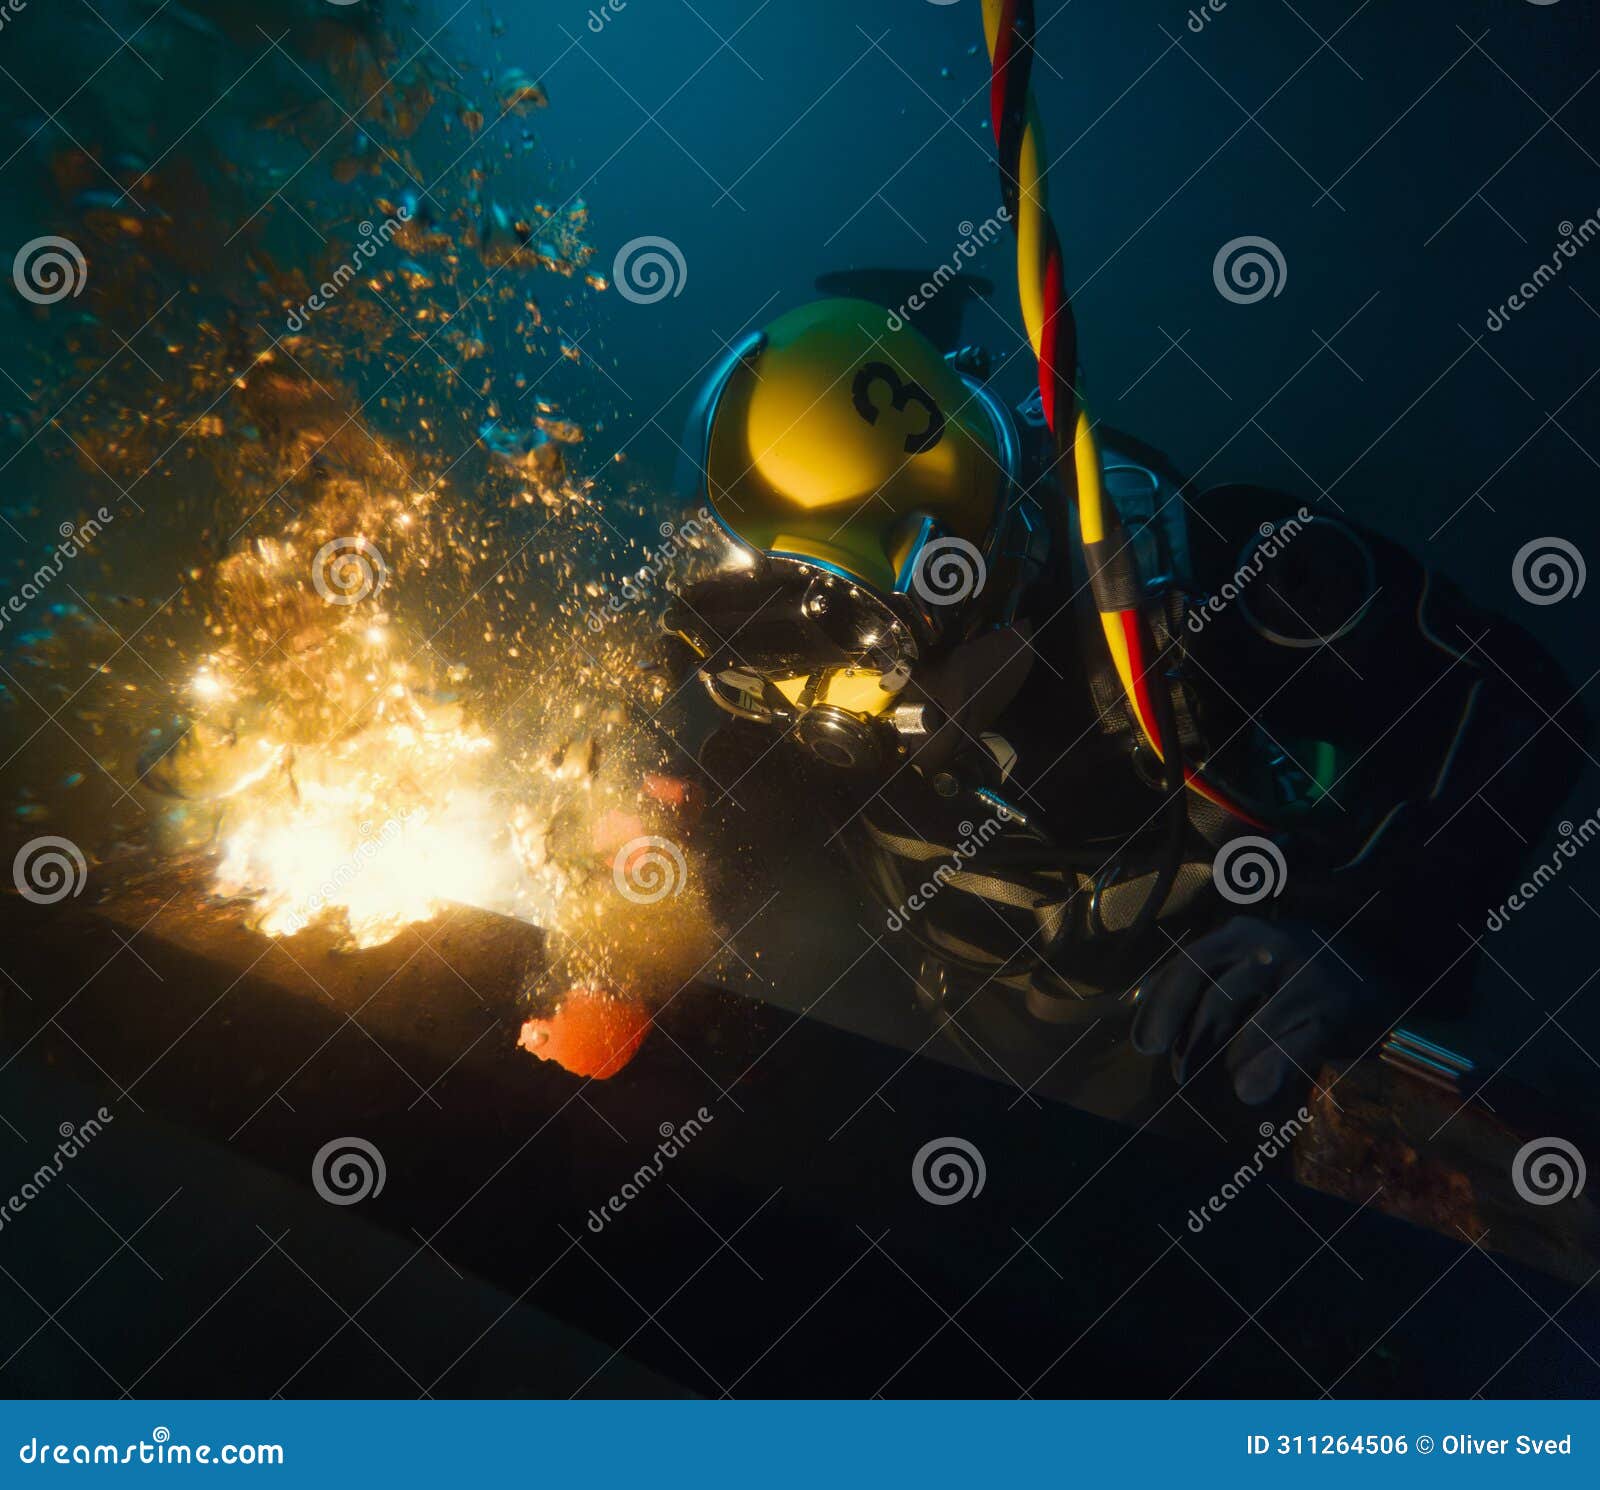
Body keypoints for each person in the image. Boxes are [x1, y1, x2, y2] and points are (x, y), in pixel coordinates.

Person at [660, 288, 1588, 1105]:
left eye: (850, 627)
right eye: (756, 637)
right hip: (945, 1058)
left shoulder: (1231, 588)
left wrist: (1371, 939)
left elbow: (1521, 711)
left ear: (958, 565)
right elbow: (747, 818)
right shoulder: (787, 695)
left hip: (1200, 1098)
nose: (809, 699)